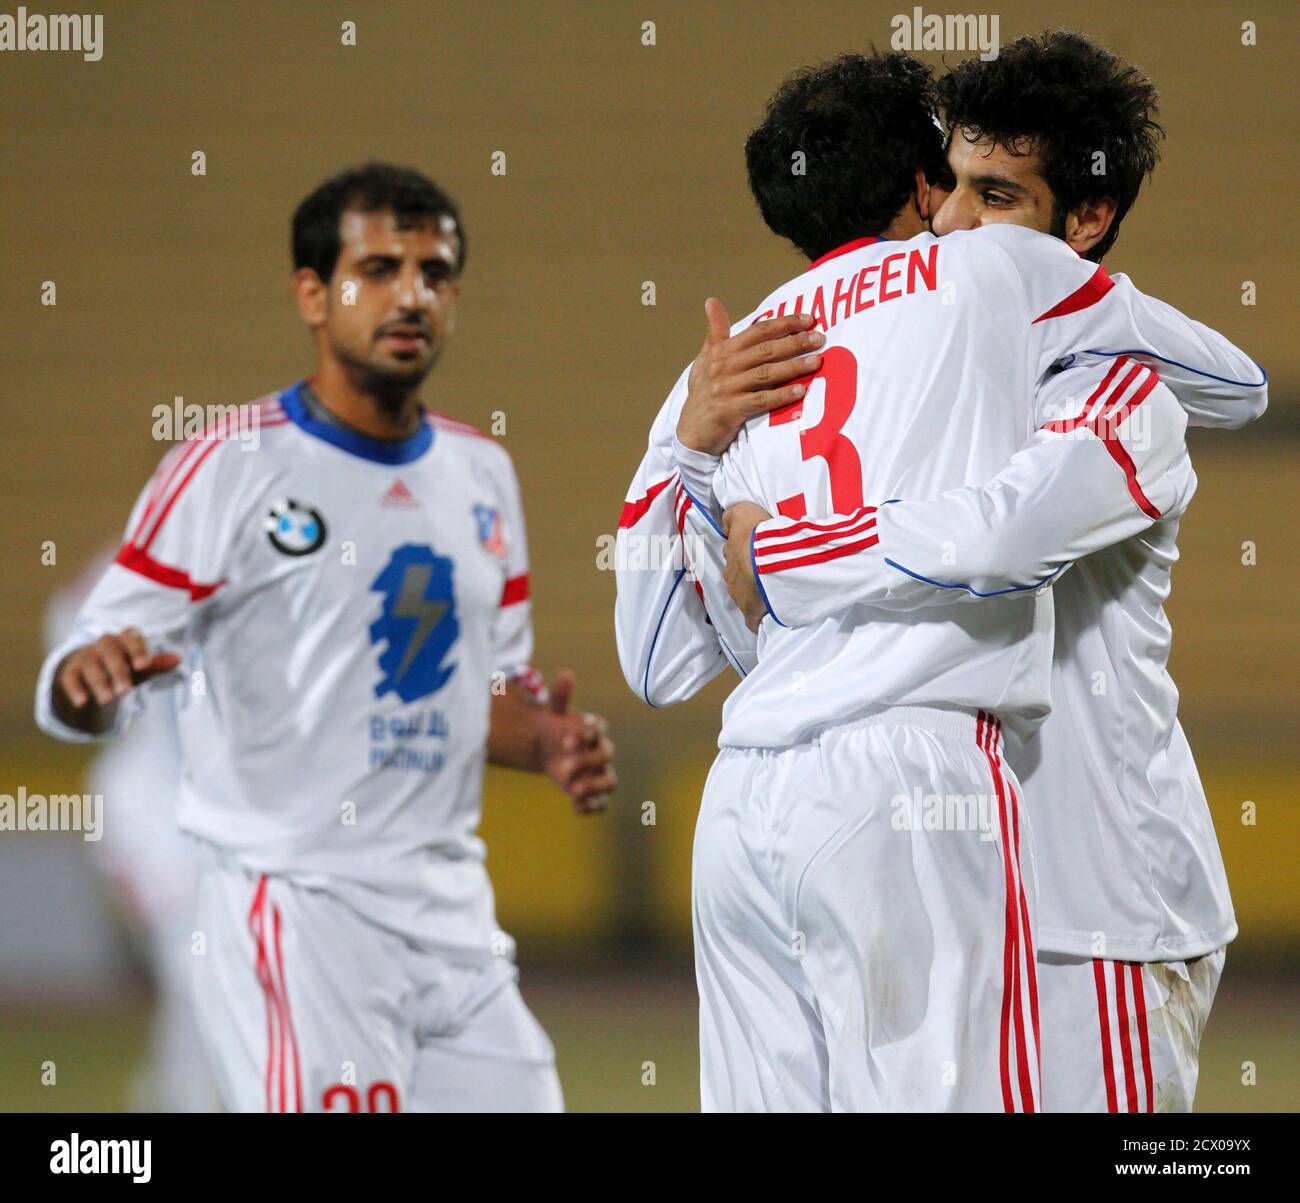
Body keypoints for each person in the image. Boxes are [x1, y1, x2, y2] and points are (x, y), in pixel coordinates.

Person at [614, 49, 1260, 1112]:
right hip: (936, 855)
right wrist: (690, 448)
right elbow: (677, 651)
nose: (955, 223)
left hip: (1093, 907)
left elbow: (1009, 531)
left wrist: (777, 553)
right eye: (947, 186)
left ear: (1085, 222)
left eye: (994, 196)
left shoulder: (1117, 386)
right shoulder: (882, 350)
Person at [36, 163, 616, 1113]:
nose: (411, 295)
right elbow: (83, 674)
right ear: (312, 293)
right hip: (298, 908)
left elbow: (474, 693)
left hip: (451, 916)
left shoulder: (482, 473)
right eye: (378, 269)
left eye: (436, 272)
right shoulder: (227, 465)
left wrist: (543, 738)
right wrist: (85, 680)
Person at [44, 546, 218, 1112]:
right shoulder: (120, 574)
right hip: (151, 811)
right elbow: (79, 698)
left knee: (221, 985)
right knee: (200, 977)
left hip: (238, 817)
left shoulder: (268, 555)